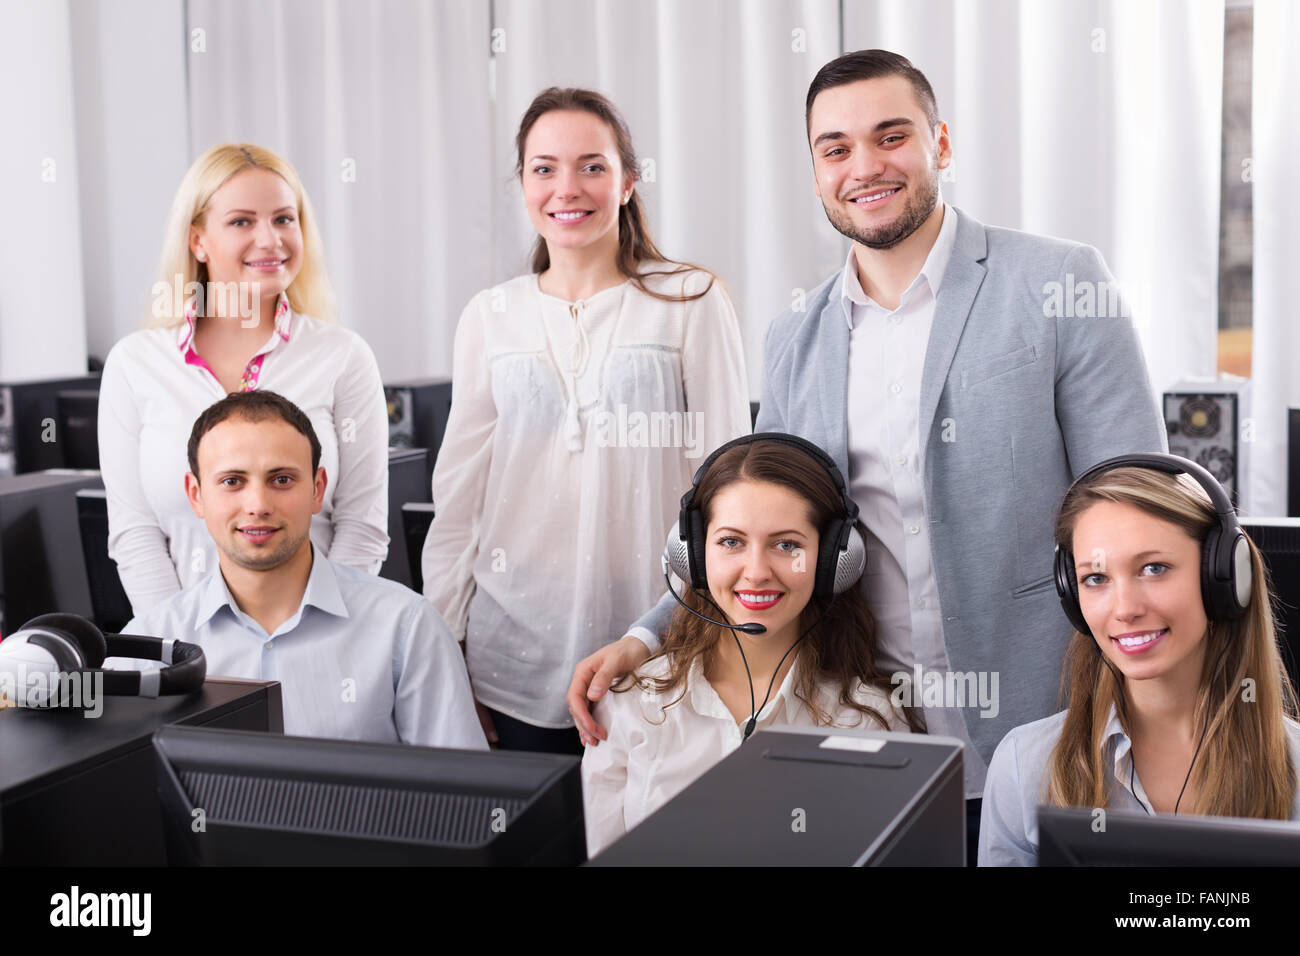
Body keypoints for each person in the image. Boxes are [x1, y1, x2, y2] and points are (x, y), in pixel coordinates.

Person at [567, 49, 1167, 862]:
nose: (865, 167)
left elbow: (1142, 513)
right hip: (871, 739)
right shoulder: (796, 336)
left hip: (1046, 725)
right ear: (815, 170)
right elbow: (755, 523)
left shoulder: (1057, 281)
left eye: (892, 136)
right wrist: (648, 634)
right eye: (836, 148)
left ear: (941, 144)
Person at [421, 87, 751, 754]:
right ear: (523, 185)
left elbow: (729, 489)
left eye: (592, 166)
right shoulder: (489, 316)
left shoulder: (690, 298)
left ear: (629, 180)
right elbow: (459, 499)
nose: (566, 187)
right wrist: (445, 648)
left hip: (656, 649)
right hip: (508, 660)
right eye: (544, 168)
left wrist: (698, 631)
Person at [582, 435, 920, 856]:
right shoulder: (631, 703)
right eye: (731, 541)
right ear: (694, 555)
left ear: (833, 561)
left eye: (787, 545)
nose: (757, 571)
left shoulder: (870, 720)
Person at [99, 143, 390, 616]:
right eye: (241, 222)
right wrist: (183, 648)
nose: (270, 240)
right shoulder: (136, 363)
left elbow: (363, 526)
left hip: (323, 636)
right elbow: (135, 536)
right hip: (188, 651)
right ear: (198, 241)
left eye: (283, 219)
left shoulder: (343, 356)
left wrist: (325, 633)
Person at [109, 390, 485, 749]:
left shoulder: (407, 628)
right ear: (196, 495)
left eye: (282, 480)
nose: (257, 504)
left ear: (317, 489)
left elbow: (468, 796)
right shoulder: (149, 644)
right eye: (232, 481)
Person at [978, 455, 1300, 866]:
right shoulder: (1025, 766)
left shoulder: (1293, 766)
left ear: (1221, 577)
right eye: (1095, 579)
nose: (1125, 608)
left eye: (1153, 568)